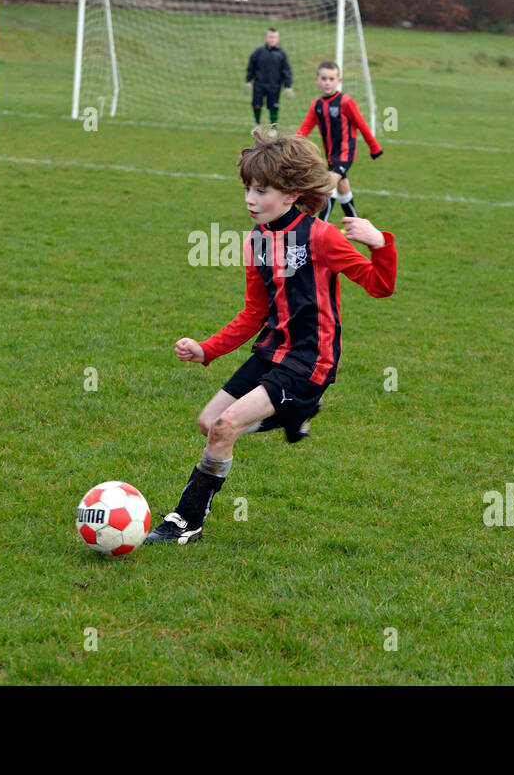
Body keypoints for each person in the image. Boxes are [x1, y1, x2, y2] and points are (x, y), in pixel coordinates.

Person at [147, 128, 398, 545]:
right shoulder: (257, 240)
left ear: (292, 194)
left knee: (225, 426)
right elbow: (253, 314)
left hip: (308, 360)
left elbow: (379, 285)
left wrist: (380, 244)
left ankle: (186, 521)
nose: (250, 198)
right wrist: (206, 349)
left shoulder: (321, 236)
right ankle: (292, 414)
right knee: (208, 422)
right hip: (271, 352)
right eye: (247, 188)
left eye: (261, 190)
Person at [294, 60, 384, 221]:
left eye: (331, 79)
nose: (327, 82)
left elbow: (362, 125)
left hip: (345, 154)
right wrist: (290, 147)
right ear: (317, 80)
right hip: (331, 155)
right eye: (323, 78)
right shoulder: (316, 105)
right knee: (342, 186)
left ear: (338, 81)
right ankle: (355, 221)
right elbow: (304, 129)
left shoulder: (346, 102)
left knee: (328, 186)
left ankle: (319, 225)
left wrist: (374, 147)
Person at [245, 27, 293, 134]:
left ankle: (273, 128)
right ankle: (257, 124)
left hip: (274, 86)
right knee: (256, 104)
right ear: (266, 38)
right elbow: (251, 66)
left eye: (275, 37)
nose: (272, 39)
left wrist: (288, 86)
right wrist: (248, 80)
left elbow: (286, 71)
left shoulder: (281, 54)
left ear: (278, 39)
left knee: (273, 107)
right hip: (259, 84)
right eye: (270, 37)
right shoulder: (259, 52)